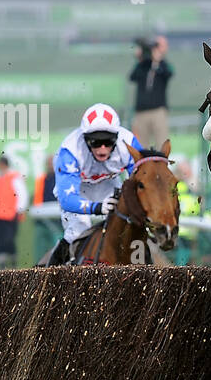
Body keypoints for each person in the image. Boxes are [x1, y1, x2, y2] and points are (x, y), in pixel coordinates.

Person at [46, 103, 146, 266]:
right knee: (78, 229)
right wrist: (97, 208)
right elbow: (67, 199)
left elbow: (142, 179)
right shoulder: (70, 151)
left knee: (128, 225)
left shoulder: (128, 143)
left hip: (109, 184)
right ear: (85, 139)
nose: (102, 148)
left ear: (117, 138)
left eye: (108, 142)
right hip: (77, 191)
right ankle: (52, 272)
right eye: (95, 142)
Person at [0, 155, 28, 268]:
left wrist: (19, 210)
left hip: (10, 215)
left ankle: (13, 261)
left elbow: (22, 194)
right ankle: (1, 263)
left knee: (8, 239)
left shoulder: (14, 177)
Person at [129, 36, 172, 147]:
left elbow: (168, 73)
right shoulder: (142, 65)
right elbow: (132, 77)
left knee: (161, 144)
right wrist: (140, 60)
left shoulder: (163, 65)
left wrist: (157, 61)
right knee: (141, 146)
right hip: (141, 112)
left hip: (158, 110)